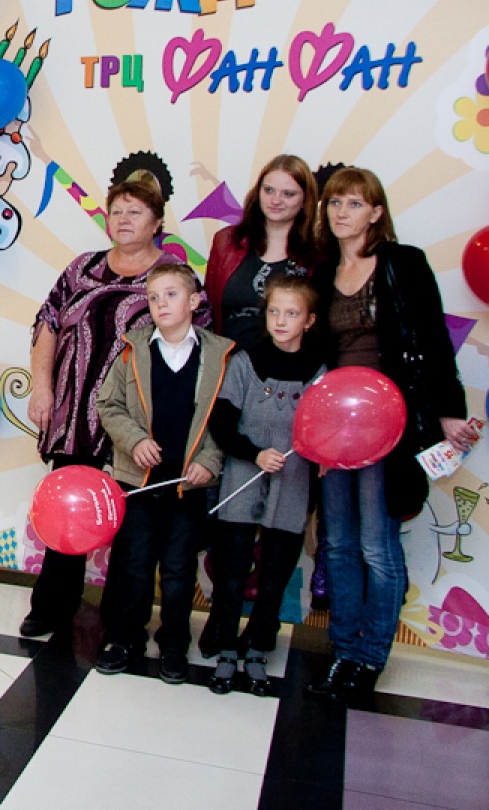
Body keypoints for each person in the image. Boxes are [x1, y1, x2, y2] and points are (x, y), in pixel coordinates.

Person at [307, 167, 473, 702]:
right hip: (336, 428)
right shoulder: (323, 269)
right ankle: (343, 653)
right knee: (337, 544)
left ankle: (371, 655)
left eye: (353, 203)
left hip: (391, 427)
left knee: (378, 545)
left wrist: (450, 413)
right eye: (334, 203)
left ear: (376, 212)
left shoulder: (404, 263)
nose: (340, 213)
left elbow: (433, 340)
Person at [21, 179, 210, 638]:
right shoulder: (81, 267)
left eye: (136, 212)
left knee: (134, 528)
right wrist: (42, 389)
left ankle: (121, 625)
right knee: (70, 512)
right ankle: (51, 606)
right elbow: (46, 323)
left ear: (158, 222)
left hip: (138, 423)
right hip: (74, 416)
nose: (123, 220)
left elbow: (199, 346)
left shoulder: (173, 277)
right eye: (117, 211)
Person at [93, 263, 233, 683]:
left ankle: (173, 643)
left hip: (186, 487)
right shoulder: (132, 352)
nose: (161, 304)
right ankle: (125, 638)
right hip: (138, 483)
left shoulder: (219, 356)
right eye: (154, 297)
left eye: (171, 295)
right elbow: (108, 406)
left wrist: (209, 460)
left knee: (177, 568)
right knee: (134, 564)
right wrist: (134, 440)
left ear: (193, 302)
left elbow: (226, 419)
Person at [200, 275, 326, 696]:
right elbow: (220, 421)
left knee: (275, 572)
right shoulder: (245, 362)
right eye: (274, 312)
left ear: (309, 321)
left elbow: (326, 429)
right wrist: (254, 454)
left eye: (291, 314)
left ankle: (257, 646)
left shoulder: (318, 370)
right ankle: (225, 649)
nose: (280, 321)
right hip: (243, 475)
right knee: (232, 570)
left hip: (293, 482)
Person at [204, 154, 319, 353]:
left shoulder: (317, 255)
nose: (276, 200)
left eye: (288, 194)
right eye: (269, 190)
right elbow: (207, 312)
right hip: (228, 367)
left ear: (305, 201)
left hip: (288, 372)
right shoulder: (226, 242)